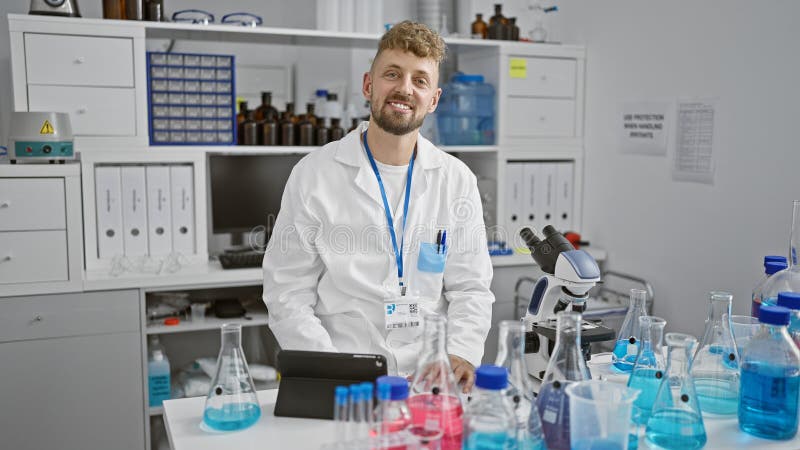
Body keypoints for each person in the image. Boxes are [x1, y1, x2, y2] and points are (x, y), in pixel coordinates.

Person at [262, 21, 494, 391]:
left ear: (433, 99)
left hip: (430, 377)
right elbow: (286, 292)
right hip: (344, 375)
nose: (404, 88)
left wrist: (462, 351)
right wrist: (330, 370)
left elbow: (471, 288)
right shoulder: (314, 174)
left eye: (420, 80)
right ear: (369, 85)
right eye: (392, 74)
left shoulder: (456, 179)